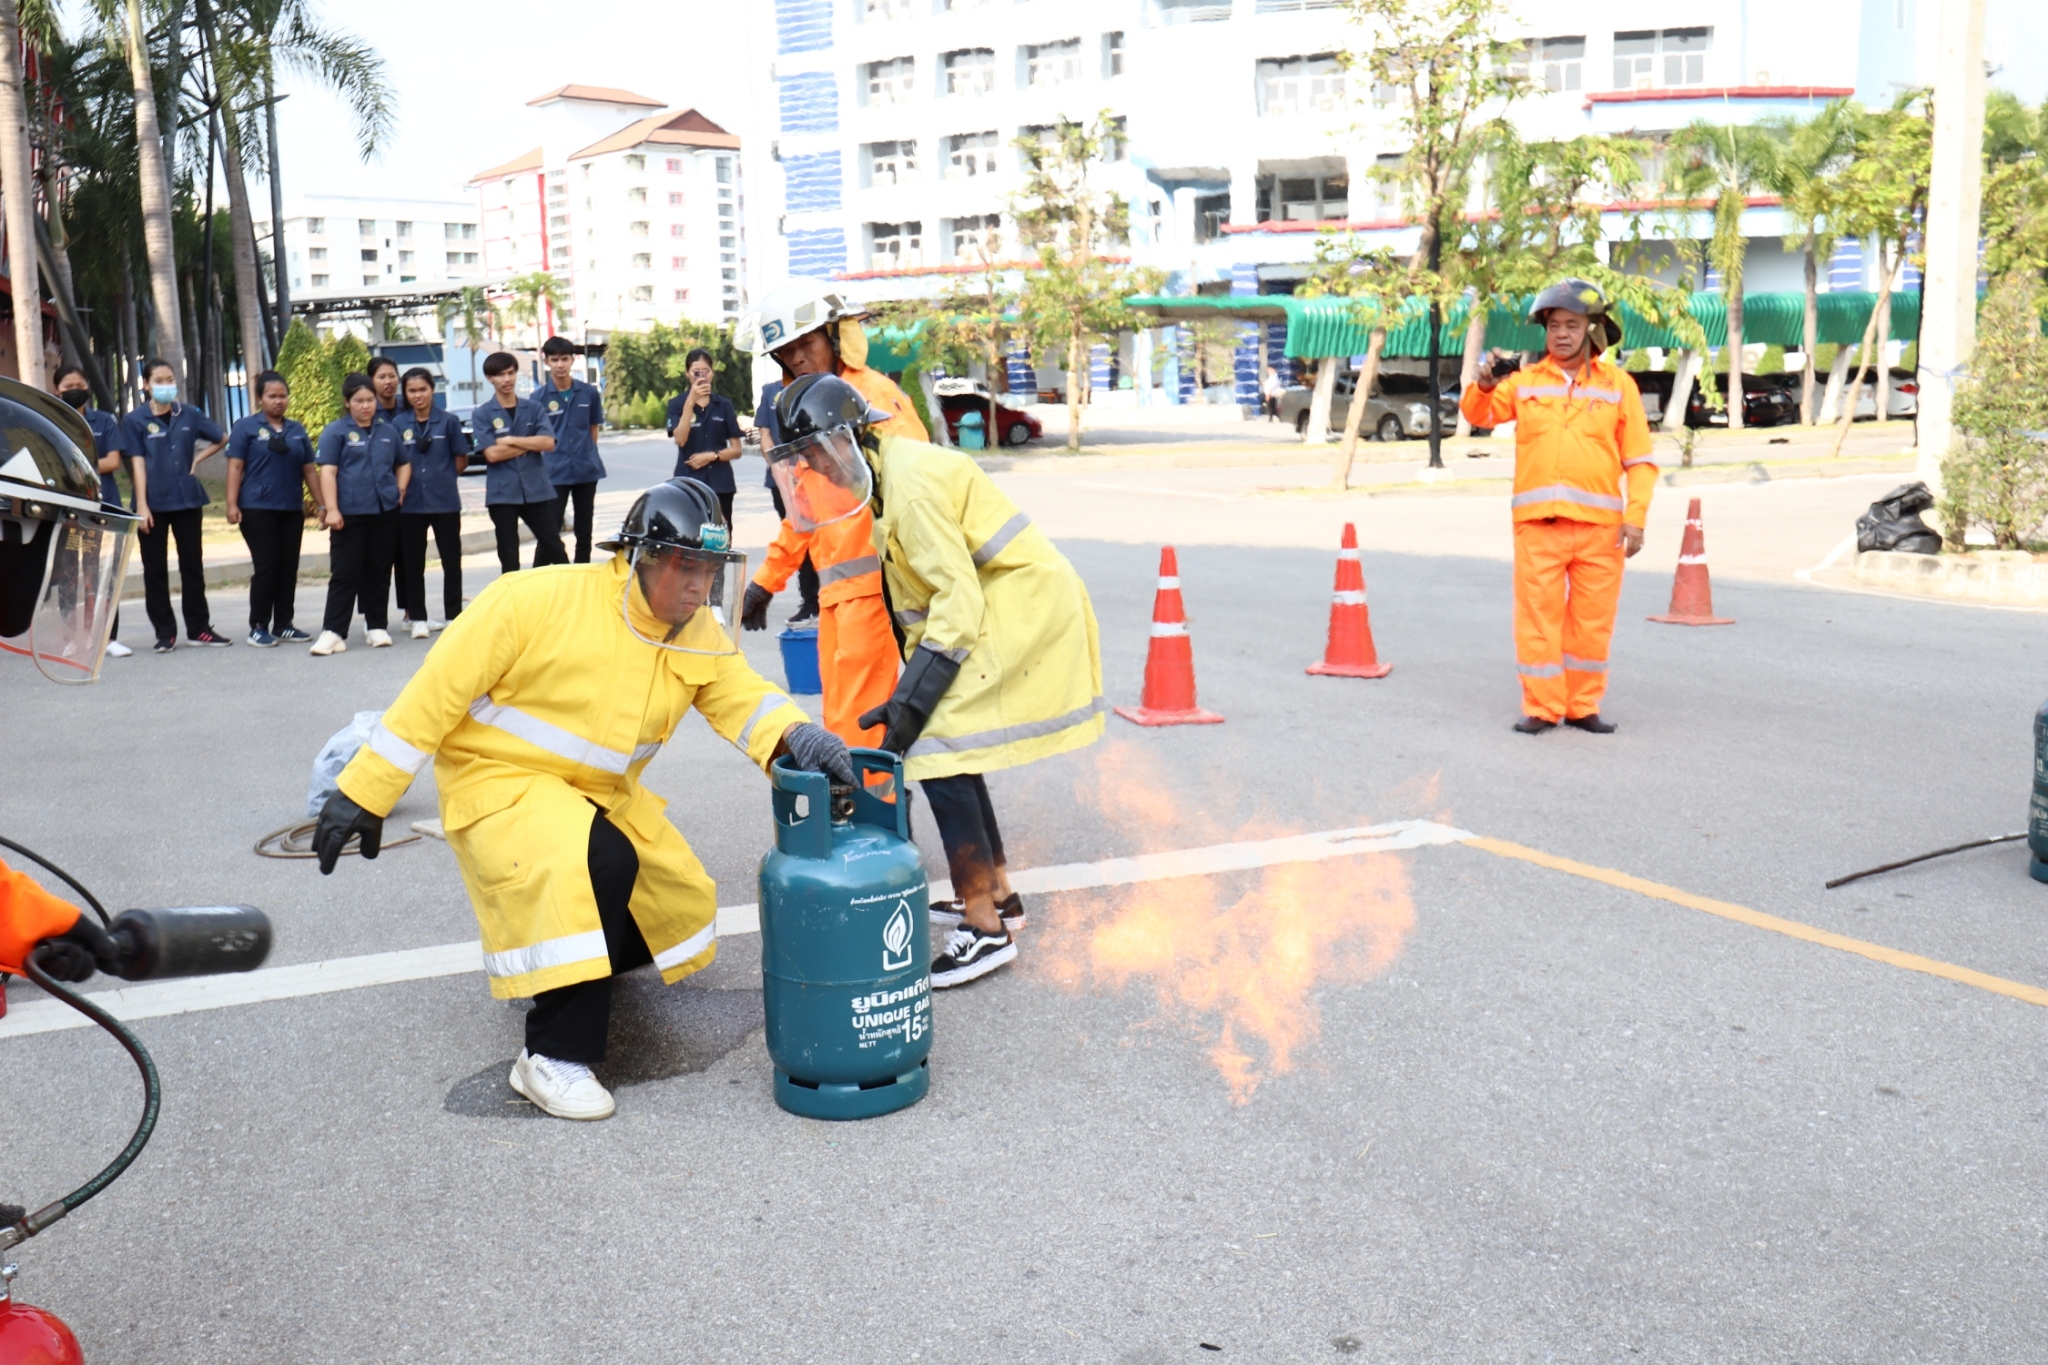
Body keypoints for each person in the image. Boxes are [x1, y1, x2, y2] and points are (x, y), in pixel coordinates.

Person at [311, 479, 853, 1122]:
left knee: (675, 907)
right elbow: (433, 695)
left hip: (596, 796)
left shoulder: (694, 629)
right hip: (498, 781)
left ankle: (567, 967)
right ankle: (552, 1056)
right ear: (639, 557)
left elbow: (741, 694)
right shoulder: (533, 601)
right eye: (685, 567)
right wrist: (364, 791)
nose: (698, 586)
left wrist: (797, 735)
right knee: (600, 864)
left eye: (709, 570)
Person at [767, 373, 1104, 989]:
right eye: (804, 460)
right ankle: (997, 894)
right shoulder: (886, 476)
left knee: (939, 750)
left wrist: (911, 701)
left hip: (1015, 607)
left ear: (847, 439)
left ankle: (985, 926)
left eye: (816, 454)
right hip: (996, 602)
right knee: (954, 747)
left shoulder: (910, 489)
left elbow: (955, 604)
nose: (816, 470)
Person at [1460, 277, 1656, 735]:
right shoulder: (1525, 382)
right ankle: (1542, 707)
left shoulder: (1618, 386)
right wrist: (1483, 385)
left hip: (1600, 530)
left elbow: (1640, 461)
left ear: (1593, 330)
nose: (1561, 334)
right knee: (1537, 621)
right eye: (1553, 326)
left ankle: (1583, 705)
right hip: (1539, 527)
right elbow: (1480, 414)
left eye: (1572, 325)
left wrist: (1636, 519)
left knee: (1592, 624)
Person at [733, 281, 926, 746]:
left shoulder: (872, 399)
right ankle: (862, 790)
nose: (798, 358)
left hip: (879, 587)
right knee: (842, 714)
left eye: (807, 343)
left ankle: (867, 793)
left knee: (861, 721)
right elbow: (806, 509)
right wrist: (765, 583)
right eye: (787, 352)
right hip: (839, 593)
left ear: (835, 337)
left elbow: (921, 491)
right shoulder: (809, 408)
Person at [121, 358, 232, 652]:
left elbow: (221, 438)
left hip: (187, 499)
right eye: (159, 381)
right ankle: (165, 633)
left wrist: (197, 459)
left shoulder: (190, 414)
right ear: (146, 385)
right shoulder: (134, 420)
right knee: (154, 569)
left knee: (192, 566)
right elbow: (137, 464)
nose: (166, 385)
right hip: (152, 503)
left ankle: (199, 629)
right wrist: (142, 505)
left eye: (170, 380)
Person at [311, 372, 410, 656]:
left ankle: (376, 626)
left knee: (379, 570)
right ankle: (333, 631)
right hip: (349, 513)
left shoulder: (387, 431)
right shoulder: (335, 432)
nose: (365, 406)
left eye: (370, 400)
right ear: (347, 402)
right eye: (358, 401)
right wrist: (331, 509)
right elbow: (328, 472)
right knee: (345, 572)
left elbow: (403, 463)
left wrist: (400, 489)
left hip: (384, 511)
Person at [224, 370, 320, 647]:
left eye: (283, 396)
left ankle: (284, 624)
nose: (278, 401)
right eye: (272, 396)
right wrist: (231, 504)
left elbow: (309, 470)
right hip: (256, 507)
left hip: (290, 507)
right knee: (267, 566)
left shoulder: (296, 430)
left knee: (288, 567)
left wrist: (322, 504)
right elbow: (235, 467)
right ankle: (258, 626)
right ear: (259, 398)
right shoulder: (245, 428)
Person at [54, 365, 134, 657]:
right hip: (68, 511)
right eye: (68, 386)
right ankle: (72, 638)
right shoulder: (51, 421)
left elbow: (113, 461)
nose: (75, 390)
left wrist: (75, 469)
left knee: (102, 574)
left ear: (88, 387)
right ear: (57, 391)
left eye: (80, 385)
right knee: (69, 576)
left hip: (103, 508)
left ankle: (107, 638)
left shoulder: (104, 420)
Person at [394, 366, 473, 638]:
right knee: (412, 563)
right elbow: (395, 462)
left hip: (445, 501)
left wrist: (443, 477)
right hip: (410, 503)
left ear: (432, 389)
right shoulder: (398, 425)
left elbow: (461, 459)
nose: (418, 395)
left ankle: (453, 615)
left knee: (451, 560)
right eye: (412, 390)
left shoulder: (448, 422)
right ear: (405, 393)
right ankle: (418, 618)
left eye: (423, 389)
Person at [474, 350, 564, 573]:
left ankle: (564, 592)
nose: (507, 379)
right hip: (502, 494)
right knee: (509, 557)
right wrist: (530, 444)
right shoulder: (482, 413)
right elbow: (492, 455)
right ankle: (513, 595)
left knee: (556, 548)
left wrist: (511, 440)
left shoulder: (533, 408)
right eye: (500, 375)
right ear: (490, 378)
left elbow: (548, 443)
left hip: (536, 490)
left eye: (511, 373)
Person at [755, 375, 820, 623]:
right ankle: (810, 601)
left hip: (814, 475)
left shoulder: (815, 384)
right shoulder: (770, 391)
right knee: (797, 538)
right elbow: (765, 434)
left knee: (823, 538)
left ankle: (828, 597)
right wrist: (780, 468)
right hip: (782, 480)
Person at [536, 336, 606, 563]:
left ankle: (581, 573)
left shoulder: (589, 393)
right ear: (546, 361)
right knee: (550, 531)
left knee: (584, 532)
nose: (560, 365)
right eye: (554, 360)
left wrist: (588, 454)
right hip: (554, 472)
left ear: (572, 360)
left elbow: (593, 429)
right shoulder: (538, 398)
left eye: (564, 359)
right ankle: (545, 572)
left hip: (586, 470)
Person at [367, 355, 403, 425]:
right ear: (371, 380)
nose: (388, 381)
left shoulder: (408, 407)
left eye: (392, 376)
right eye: (382, 377)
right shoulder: (367, 410)